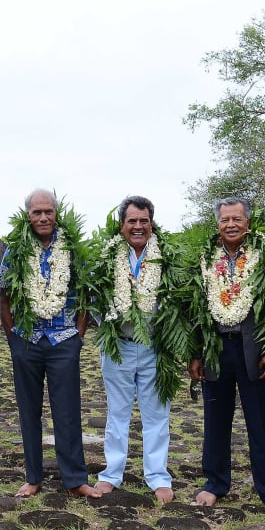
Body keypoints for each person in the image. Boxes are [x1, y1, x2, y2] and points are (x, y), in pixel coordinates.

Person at [188, 197, 265, 518]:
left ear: (248, 222)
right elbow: (194, 309)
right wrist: (195, 353)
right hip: (216, 349)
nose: (231, 225)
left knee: (261, 423)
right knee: (215, 420)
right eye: (225, 220)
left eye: (237, 219)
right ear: (217, 224)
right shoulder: (204, 257)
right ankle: (215, 483)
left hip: (255, 350)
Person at [0, 189, 100, 498]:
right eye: (36, 212)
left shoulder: (72, 248)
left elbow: (85, 294)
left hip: (64, 340)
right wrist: (13, 338)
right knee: (28, 411)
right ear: (28, 216)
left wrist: (78, 335)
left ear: (57, 213)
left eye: (48, 212)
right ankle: (33, 477)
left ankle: (75, 479)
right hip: (26, 340)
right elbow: (4, 296)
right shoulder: (15, 250)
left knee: (67, 411)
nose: (43, 217)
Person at [91, 196, 182, 503]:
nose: (138, 226)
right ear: (122, 226)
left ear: (152, 224)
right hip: (119, 346)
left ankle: (158, 476)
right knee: (117, 413)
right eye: (132, 221)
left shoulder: (166, 256)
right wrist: (111, 323)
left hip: (155, 347)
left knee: (157, 415)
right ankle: (111, 474)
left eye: (144, 221)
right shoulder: (107, 257)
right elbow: (94, 297)